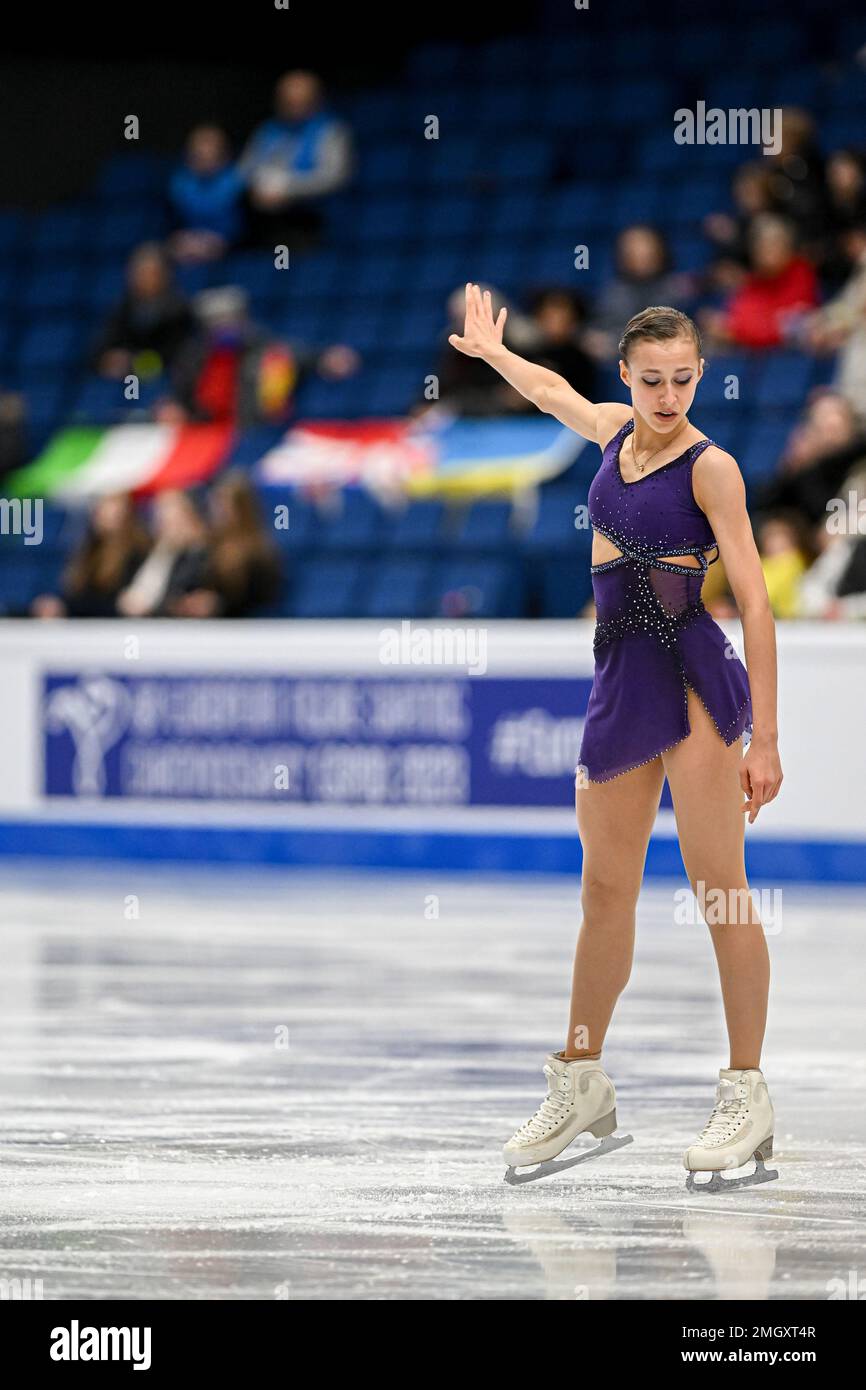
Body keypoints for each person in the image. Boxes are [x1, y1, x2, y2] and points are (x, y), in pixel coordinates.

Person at [449, 287, 783, 1180]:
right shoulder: (610, 431)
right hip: (619, 684)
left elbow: (753, 600)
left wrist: (767, 739)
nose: (668, 398)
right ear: (628, 377)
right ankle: (584, 1076)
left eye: (682, 381)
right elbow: (554, 393)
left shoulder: (712, 469)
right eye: (651, 381)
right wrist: (494, 356)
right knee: (606, 892)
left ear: (701, 375)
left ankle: (746, 1090)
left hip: (696, 685)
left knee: (720, 891)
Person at [157, 285, 359, 428]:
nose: (223, 325)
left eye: (229, 318)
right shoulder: (193, 356)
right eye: (215, 321)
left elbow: (304, 356)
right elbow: (179, 394)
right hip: (208, 435)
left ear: (243, 318)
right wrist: (173, 407)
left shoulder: (268, 349)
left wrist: (326, 358)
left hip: (255, 433)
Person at [237, 70, 353, 253]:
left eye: (301, 102)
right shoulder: (268, 130)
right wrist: (258, 186)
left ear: (316, 100)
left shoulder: (330, 131)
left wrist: (288, 190)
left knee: (290, 266)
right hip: (264, 219)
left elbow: (334, 177)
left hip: (310, 221)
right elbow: (244, 170)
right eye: (288, 102)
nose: (294, 108)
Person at [171, 473, 282, 618]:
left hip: (243, 627)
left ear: (241, 508)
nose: (218, 511)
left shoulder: (259, 552)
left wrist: (218, 604)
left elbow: (260, 599)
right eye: (215, 504)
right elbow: (187, 584)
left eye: (224, 505)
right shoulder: (208, 545)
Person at [701, 214, 819, 350]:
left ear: (788, 246)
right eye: (761, 244)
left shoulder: (802, 274)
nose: (767, 250)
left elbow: (786, 328)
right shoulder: (752, 281)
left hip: (790, 358)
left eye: (774, 242)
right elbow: (737, 315)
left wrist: (737, 330)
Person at [31, 493, 151, 619]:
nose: (102, 510)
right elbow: (78, 594)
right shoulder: (88, 547)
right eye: (101, 504)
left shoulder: (137, 550)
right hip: (85, 629)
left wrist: (68, 607)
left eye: (111, 503)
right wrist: (59, 606)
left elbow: (120, 604)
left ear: (126, 510)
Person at [584, 225, 692, 361]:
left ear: (660, 250)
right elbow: (596, 333)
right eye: (631, 247)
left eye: (645, 246)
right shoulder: (611, 293)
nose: (639, 253)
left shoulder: (678, 290)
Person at [92, 243, 195, 380]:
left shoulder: (179, 311)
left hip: (164, 383)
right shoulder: (122, 309)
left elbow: (177, 356)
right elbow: (100, 349)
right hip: (126, 382)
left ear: (164, 275)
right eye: (138, 273)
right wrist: (109, 358)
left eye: (149, 273)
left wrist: (135, 362)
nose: (142, 279)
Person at [116, 489, 210, 617]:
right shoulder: (154, 549)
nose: (161, 516)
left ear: (187, 512)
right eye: (159, 510)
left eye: (168, 509)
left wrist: (149, 607)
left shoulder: (198, 553)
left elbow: (180, 597)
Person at [168, 124, 245, 263]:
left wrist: (224, 242)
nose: (203, 151)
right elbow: (171, 225)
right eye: (198, 149)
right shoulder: (178, 183)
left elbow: (248, 231)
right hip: (188, 249)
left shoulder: (240, 181)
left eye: (209, 146)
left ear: (223, 152)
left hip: (233, 252)